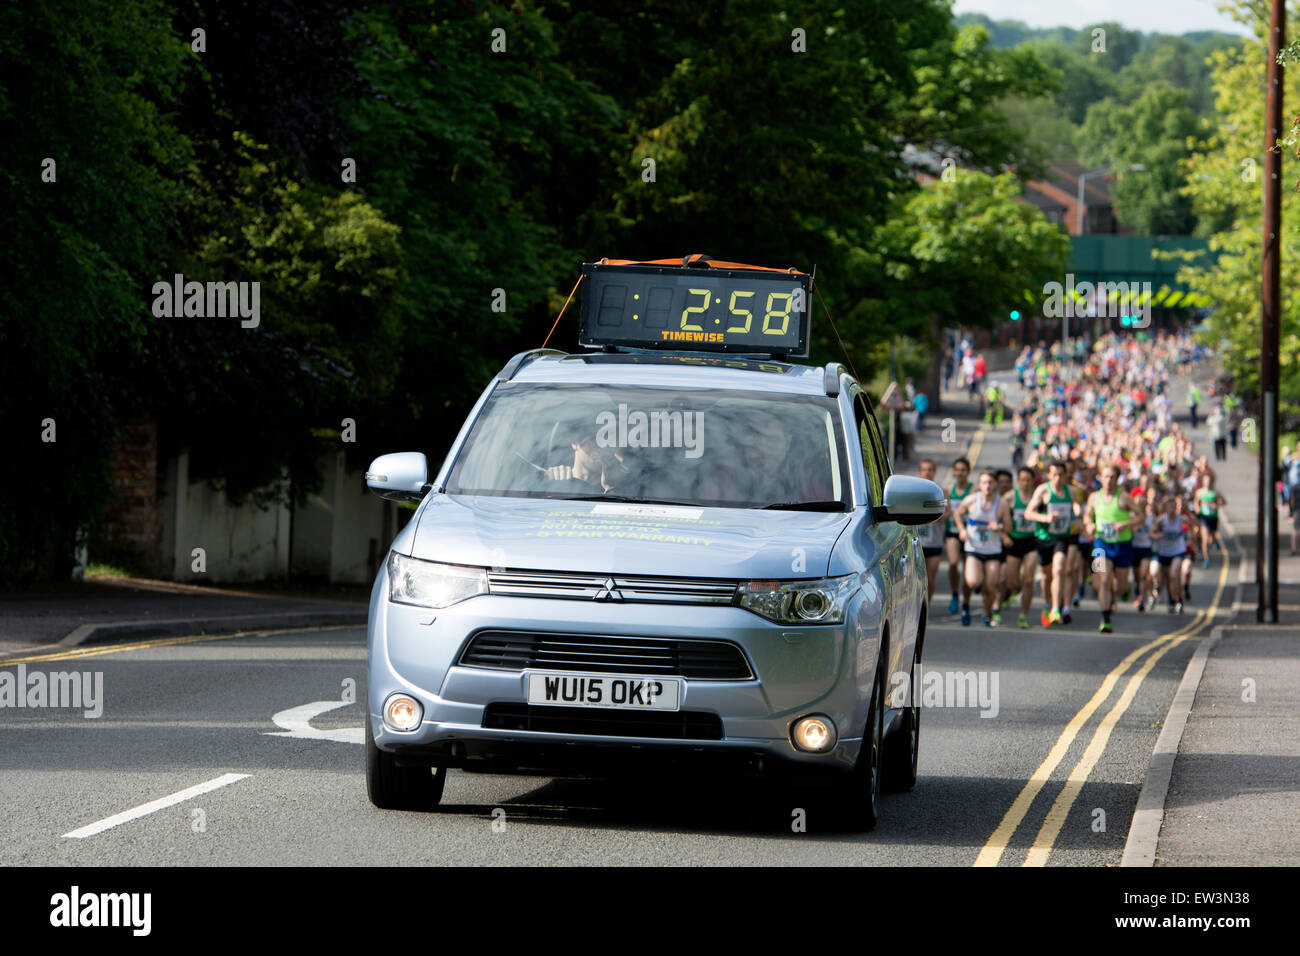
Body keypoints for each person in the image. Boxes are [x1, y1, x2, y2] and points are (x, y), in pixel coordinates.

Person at [1084, 463, 1144, 634]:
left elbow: (1141, 516)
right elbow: (1087, 516)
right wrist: (1088, 525)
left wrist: (1125, 523)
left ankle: (1124, 590)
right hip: (1100, 545)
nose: (1109, 480)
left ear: (1117, 480)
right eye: (1106, 476)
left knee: (1120, 588)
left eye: (1112, 477)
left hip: (1122, 545)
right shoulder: (1094, 497)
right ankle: (1105, 618)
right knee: (1102, 580)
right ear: (1100, 478)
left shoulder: (1124, 497)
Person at [1024, 459, 1081, 627]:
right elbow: (1028, 513)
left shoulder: (1071, 491)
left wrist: (1078, 518)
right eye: (1054, 474)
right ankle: (1048, 603)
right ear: (1049, 475)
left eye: (1061, 475)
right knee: (1047, 576)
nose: (1057, 478)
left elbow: (1077, 506)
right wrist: (1045, 518)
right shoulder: (1043, 491)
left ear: (1065, 476)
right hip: (1043, 538)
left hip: (1061, 537)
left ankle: (1056, 608)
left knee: (1059, 570)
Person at [954, 469, 1012, 627]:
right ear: (980, 484)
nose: (987, 485)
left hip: (993, 550)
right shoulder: (972, 500)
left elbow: (1008, 527)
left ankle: (987, 613)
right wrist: (962, 530)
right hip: (974, 548)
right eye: (984, 482)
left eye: (990, 482)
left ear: (995, 484)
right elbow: (957, 513)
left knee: (990, 586)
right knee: (972, 581)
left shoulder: (1002, 504)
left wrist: (998, 526)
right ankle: (965, 604)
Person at [1002, 466, 1041, 629]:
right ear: (1018, 481)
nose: (1025, 483)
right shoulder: (1010, 497)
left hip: (1031, 541)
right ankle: (1012, 591)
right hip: (1014, 542)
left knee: (1029, 580)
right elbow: (1000, 518)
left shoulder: (1037, 497)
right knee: (1012, 583)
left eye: (1028, 480)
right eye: (1022, 480)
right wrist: (1004, 536)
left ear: (1033, 481)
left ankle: (1023, 614)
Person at [943, 457, 975, 616]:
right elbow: (946, 512)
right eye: (957, 470)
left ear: (968, 472)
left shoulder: (974, 490)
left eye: (963, 470)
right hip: (953, 533)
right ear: (954, 472)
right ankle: (955, 594)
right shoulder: (949, 490)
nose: (960, 473)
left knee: (969, 570)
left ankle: (967, 602)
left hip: (971, 536)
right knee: (954, 563)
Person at [1153, 495, 1190, 613]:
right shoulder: (1161, 520)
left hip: (1178, 552)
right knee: (1168, 579)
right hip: (1164, 553)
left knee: (1174, 575)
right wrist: (1158, 535)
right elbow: (1151, 534)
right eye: (1169, 507)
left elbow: (1195, 525)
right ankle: (1173, 601)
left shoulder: (1181, 519)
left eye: (1174, 506)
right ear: (1165, 508)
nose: (1172, 509)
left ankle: (1178, 600)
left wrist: (1190, 537)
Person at [917, 459, 945, 600]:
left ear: (934, 472)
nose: (927, 472)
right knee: (916, 580)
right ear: (920, 472)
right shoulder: (913, 492)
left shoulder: (941, 491)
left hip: (934, 542)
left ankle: (928, 604)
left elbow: (947, 515)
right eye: (924, 469)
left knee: (930, 579)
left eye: (930, 469)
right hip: (917, 543)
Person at [1194, 472, 1226, 568]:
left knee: (1210, 540)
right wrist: (1198, 509)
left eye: (1209, 481)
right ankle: (1206, 559)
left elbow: (1224, 502)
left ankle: (1214, 543)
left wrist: (1216, 505)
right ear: (1203, 482)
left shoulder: (1215, 492)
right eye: (1205, 481)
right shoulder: (1199, 492)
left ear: (1211, 482)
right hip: (1204, 517)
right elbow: (1196, 503)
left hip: (1213, 517)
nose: (1207, 482)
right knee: (1205, 538)